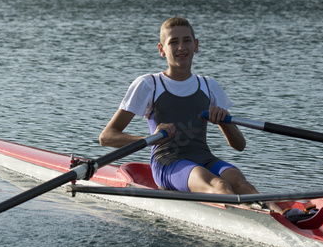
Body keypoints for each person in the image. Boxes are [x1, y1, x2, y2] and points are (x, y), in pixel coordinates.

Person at [98, 16, 259, 195]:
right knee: (220, 186)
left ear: (196, 45)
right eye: (173, 42)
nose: (181, 47)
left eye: (187, 41)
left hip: (205, 158)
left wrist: (223, 121)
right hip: (168, 161)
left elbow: (239, 145)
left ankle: (275, 210)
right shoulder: (148, 84)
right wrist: (150, 138)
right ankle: (239, 209)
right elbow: (107, 137)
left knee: (243, 185)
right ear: (162, 50)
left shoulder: (209, 85)